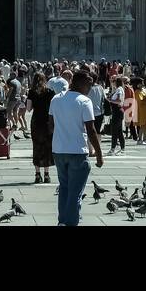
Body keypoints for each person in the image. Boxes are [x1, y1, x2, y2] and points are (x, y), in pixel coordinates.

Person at [48, 70, 103, 226]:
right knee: (75, 192)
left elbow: (50, 126)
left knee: (64, 188)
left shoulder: (55, 99)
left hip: (58, 150)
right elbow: (91, 130)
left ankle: (62, 221)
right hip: (77, 151)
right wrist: (99, 155)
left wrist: (63, 129)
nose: (90, 87)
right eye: (89, 84)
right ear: (80, 83)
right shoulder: (84, 101)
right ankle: (70, 223)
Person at [27, 71, 55, 184]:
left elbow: (28, 108)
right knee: (47, 147)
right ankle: (47, 174)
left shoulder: (31, 92)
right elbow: (54, 107)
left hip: (36, 122)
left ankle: (37, 174)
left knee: (37, 147)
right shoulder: (50, 92)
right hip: (47, 122)